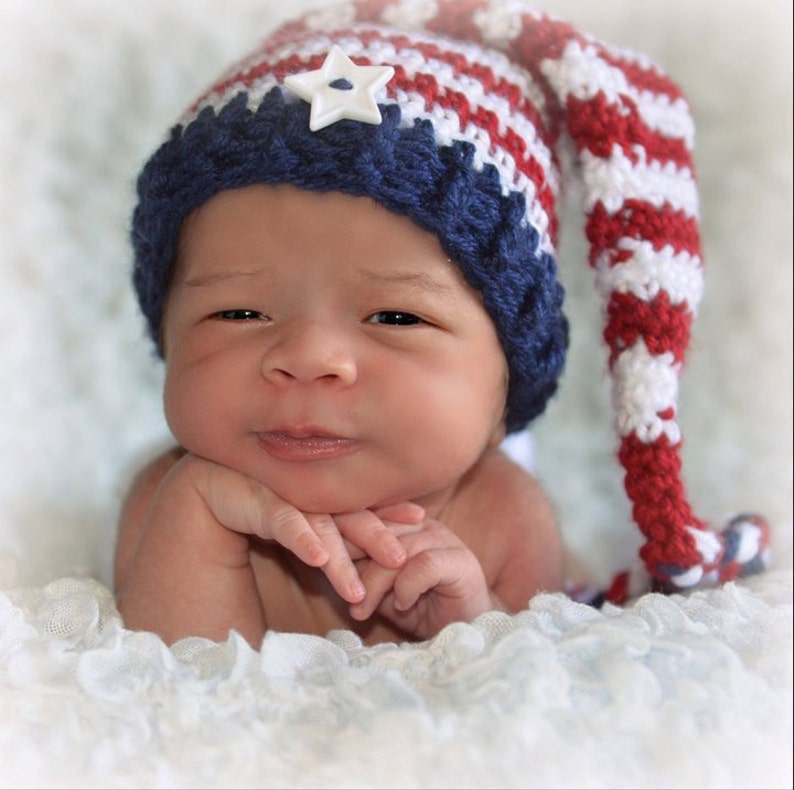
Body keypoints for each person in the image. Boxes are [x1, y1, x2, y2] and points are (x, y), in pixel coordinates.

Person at [114, 0, 769, 648]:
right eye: (239, 312)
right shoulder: (170, 502)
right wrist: (197, 519)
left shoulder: (505, 516)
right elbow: (174, 701)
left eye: (396, 317)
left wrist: (468, 624)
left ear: (503, 400)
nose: (310, 356)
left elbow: (529, 703)